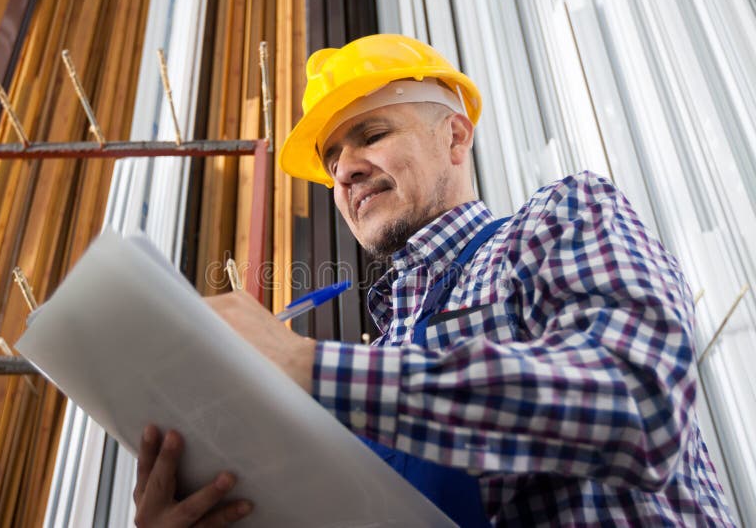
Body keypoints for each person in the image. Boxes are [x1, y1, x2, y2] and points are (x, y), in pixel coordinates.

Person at [133, 34, 736, 526]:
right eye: (331, 160)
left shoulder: (557, 222)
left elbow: (639, 400)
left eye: (372, 134)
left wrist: (306, 366)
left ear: (454, 135)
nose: (345, 170)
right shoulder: (375, 366)